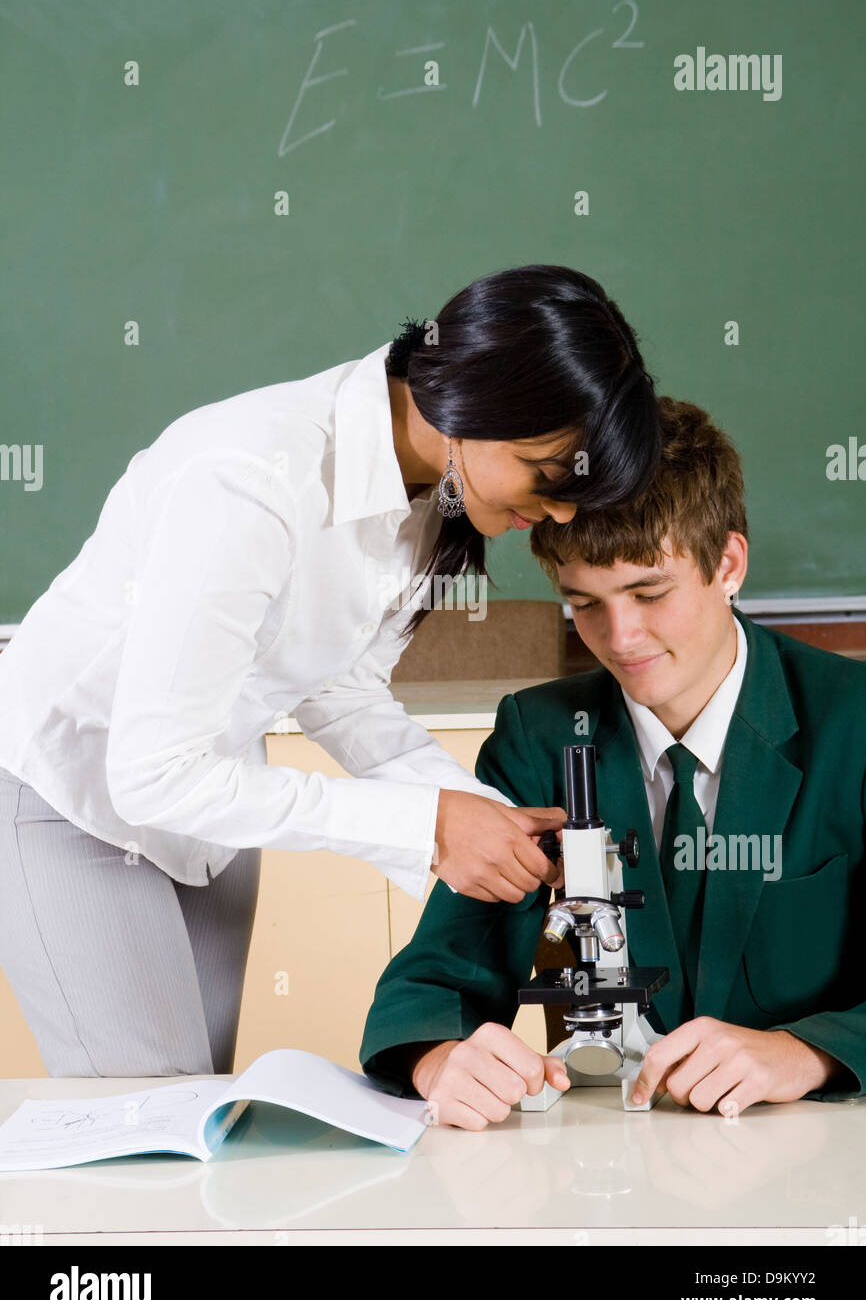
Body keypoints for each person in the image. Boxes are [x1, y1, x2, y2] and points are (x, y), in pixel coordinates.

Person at [0, 263, 661, 1078]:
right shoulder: (250, 481)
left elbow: (338, 688)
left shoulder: (428, 495)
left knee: (198, 1107)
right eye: (549, 473)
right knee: (145, 1127)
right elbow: (151, 774)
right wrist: (426, 828)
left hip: (212, 814)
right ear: (474, 406)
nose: (560, 511)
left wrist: (482, 817)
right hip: (73, 793)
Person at [360, 396, 866, 1126]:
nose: (621, 636)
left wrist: (807, 1052)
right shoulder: (539, 737)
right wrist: (441, 1059)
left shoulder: (850, 723)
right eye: (583, 602)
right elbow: (439, 975)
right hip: (613, 1162)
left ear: (727, 563)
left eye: (647, 591)